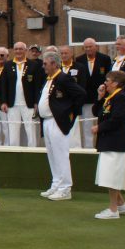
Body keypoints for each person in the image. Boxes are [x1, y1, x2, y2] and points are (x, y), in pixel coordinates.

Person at [37, 52, 86, 201]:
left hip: (57, 121)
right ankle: (56, 183)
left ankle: (65, 188)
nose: (43, 66)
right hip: (46, 121)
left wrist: (69, 113)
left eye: (46, 64)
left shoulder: (64, 78)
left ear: (54, 64)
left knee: (61, 155)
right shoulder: (48, 79)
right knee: (52, 155)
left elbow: (81, 94)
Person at [91, 71, 125, 219]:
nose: (105, 83)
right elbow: (96, 111)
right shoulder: (110, 98)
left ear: (115, 83)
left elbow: (117, 119)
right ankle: (121, 205)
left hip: (115, 142)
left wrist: (99, 128)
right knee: (108, 175)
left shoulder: (121, 98)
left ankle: (113, 210)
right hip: (108, 142)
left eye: (107, 81)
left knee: (112, 177)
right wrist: (100, 97)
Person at [4, 42, 44, 147]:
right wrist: (4, 101)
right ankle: (13, 151)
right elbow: (4, 85)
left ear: (25, 50)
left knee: (30, 129)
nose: (18, 51)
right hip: (12, 103)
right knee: (13, 129)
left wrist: (36, 102)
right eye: (16, 49)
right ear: (13, 50)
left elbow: (37, 85)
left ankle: (33, 151)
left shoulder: (33, 65)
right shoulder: (7, 65)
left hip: (29, 103)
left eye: (21, 49)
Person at [75, 38, 112, 149]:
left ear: (96, 47)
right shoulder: (79, 60)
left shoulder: (105, 59)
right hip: (86, 98)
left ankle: (104, 146)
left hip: (102, 98)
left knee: (103, 123)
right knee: (87, 125)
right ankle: (88, 148)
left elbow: (108, 77)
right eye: (86, 47)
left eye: (90, 46)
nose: (88, 49)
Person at [59, 46, 86, 149]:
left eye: (66, 53)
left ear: (71, 54)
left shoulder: (80, 67)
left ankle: (75, 150)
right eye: (62, 53)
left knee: (74, 130)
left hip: (73, 104)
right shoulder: (57, 67)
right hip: (60, 104)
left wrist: (77, 103)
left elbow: (82, 86)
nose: (64, 55)